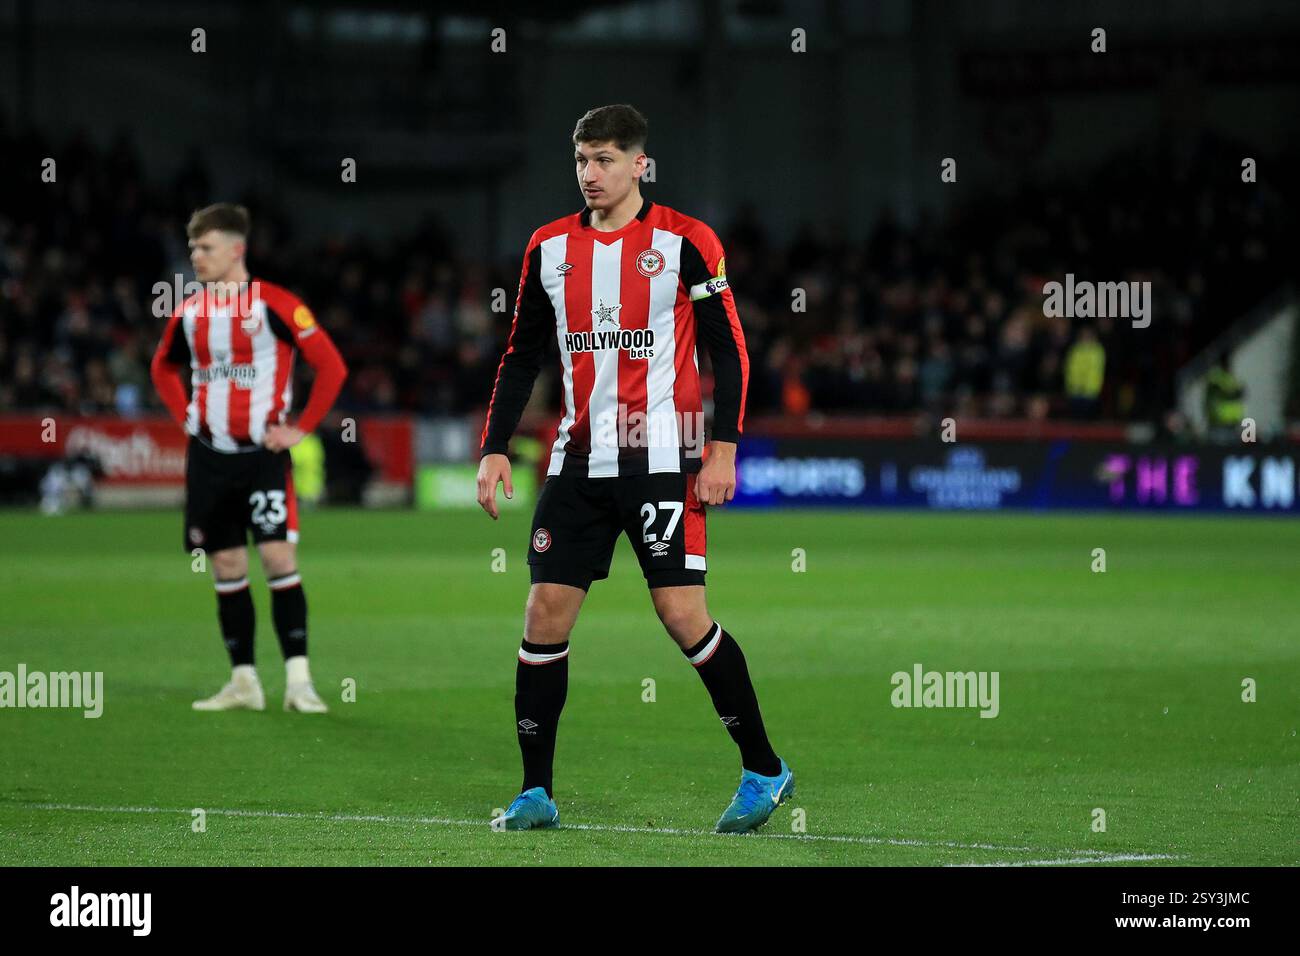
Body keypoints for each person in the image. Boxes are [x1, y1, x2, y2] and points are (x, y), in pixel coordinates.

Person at [476, 105, 792, 833]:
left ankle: (764, 768)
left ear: (640, 165)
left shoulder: (687, 241)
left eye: (606, 160)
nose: (590, 174)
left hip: (663, 459)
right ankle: (535, 792)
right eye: (581, 160)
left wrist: (723, 446)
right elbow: (521, 354)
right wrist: (495, 445)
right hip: (578, 460)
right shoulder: (548, 246)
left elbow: (729, 348)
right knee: (543, 614)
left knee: (682, 615)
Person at [151, 204, 347, 713]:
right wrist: (184, 414)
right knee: (226, 563)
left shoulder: (277, 305)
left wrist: (301, 427)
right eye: (193, 248)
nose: (196, 256)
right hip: (209, 458)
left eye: (206, 247)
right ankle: (243, 681)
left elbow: (331, 366)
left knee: (278, 558)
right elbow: (162, 367)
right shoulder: (189, 312)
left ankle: (299, 682)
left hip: (263, 457)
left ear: (236, 249)